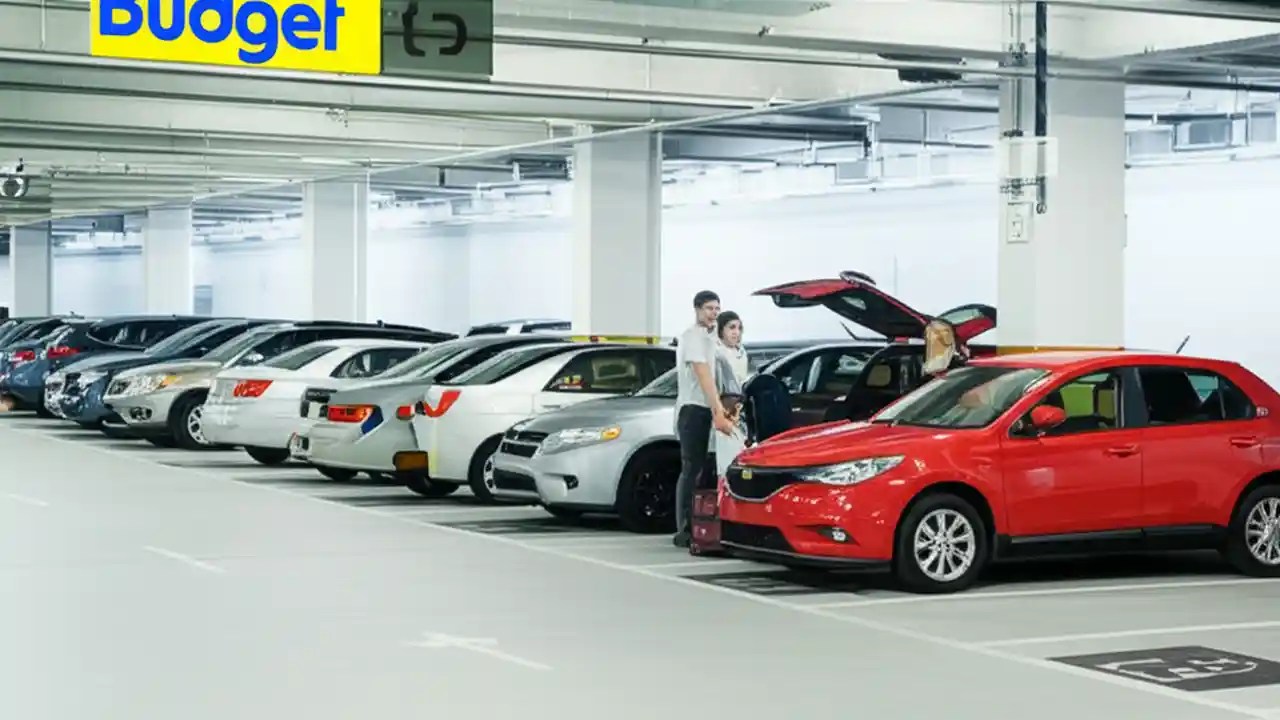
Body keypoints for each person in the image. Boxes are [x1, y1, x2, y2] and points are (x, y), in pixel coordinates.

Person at [673, 290, 734, 548]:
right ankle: (685, 530)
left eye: (717, 309)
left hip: (704, 409)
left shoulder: (709, 339)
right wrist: (718, 412)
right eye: (709, 308)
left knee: (701, 470)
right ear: (697, 309)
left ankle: (699, 525)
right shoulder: (693, 337)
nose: (714, 314)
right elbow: (704, 376)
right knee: (692, 470)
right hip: (694, 410)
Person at [711, 311, 749, 478]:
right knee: (725, 458)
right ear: (721, 330)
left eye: (739, 328)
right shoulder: (717, 354)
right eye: (731, 328)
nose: (736, 332)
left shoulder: (741, 353)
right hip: (723, 410)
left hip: (739, 412)